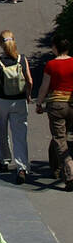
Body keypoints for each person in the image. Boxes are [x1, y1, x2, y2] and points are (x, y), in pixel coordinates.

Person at [0, 31, 32, 183]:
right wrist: (28, 94)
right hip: (19, 101)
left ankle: (4, 160)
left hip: (2, 101)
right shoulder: (22, 59)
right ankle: (21, 167)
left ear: (1, 44)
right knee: (20, 135)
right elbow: (30, 81)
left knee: (2, 131)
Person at [34, 35, 73, 190]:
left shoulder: (51, 65)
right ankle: (55, 169)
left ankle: (69, 170)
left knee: (59, 138)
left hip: (56, 105)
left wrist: (39, 103)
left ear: (55, 48)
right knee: (59, 137)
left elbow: (44, 86)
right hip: (71, 104)